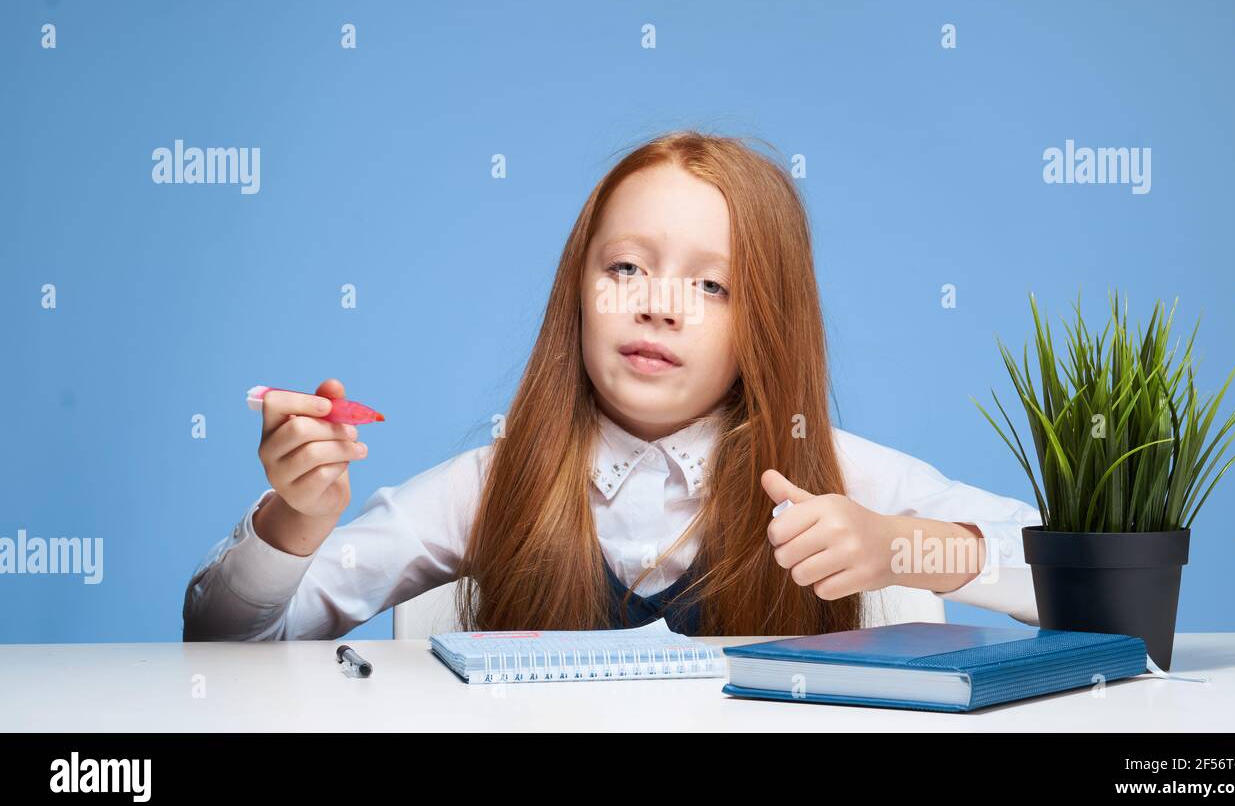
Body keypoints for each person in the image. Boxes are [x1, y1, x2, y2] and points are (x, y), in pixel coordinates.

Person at [183, 130, 1041, 641]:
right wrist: (294, 522)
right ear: (579, 295)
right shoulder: (491, 487)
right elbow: (227, 644)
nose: (660, 306)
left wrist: (910, 549)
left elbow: (1091, 580)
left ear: (767, 325)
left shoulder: (838, 475)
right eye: (627, 268)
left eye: (712, 286)